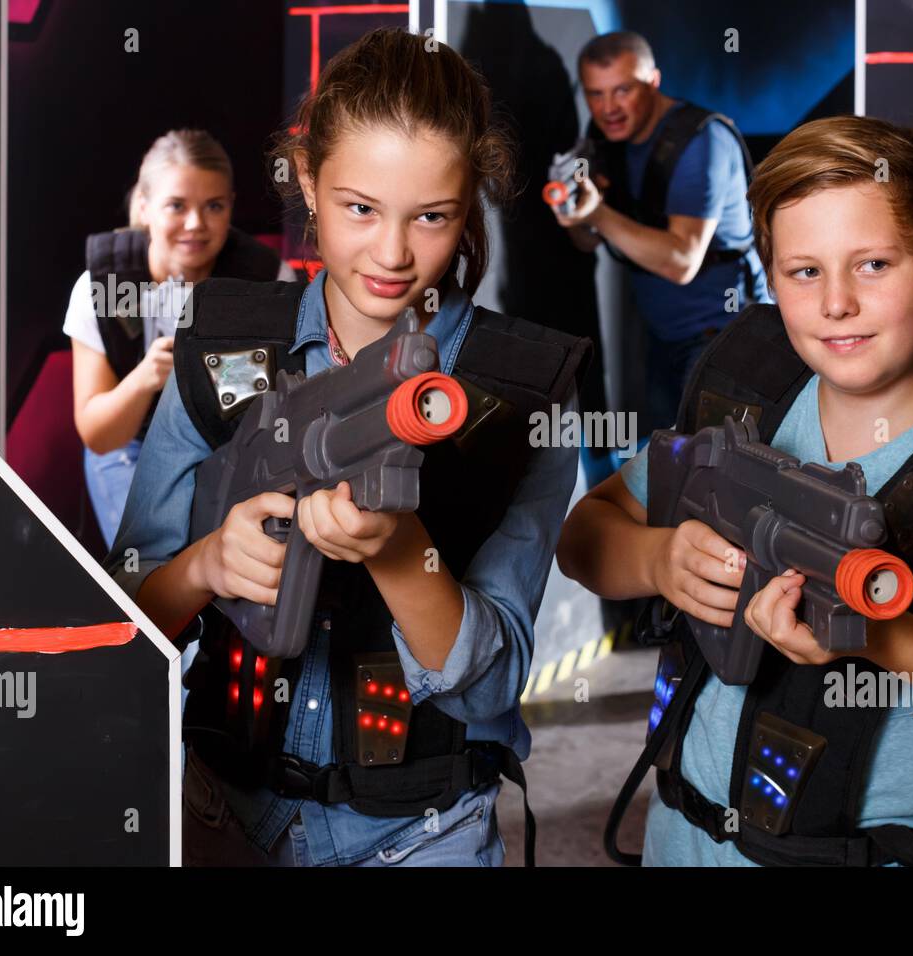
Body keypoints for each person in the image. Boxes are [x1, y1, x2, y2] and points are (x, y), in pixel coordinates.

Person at [556, 115, 913, 866]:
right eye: (805, 272)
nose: (836, 303)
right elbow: (584, 536)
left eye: (873, 265)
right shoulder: (748, 389)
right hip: (683, 838)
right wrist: (657, 560)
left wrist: (877, 634)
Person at [106, 28, 589, 866]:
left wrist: (402, 552)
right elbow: (124, 619)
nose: (394, 254)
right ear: (305, 177)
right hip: (223, 805)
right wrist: (208, 566)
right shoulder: (220, 348)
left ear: (471, 201)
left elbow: (493, 683)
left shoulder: (521, 394)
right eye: (360, 208)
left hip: (422, 830)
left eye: (432, 216)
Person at [67, 129, 295, 547]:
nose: (196, 224)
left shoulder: (266, 277)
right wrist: (145, 378)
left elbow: (280, 405)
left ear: (231, 207)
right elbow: (98, 436)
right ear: (144, 206)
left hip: (226, 444)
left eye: (213, 206)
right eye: (176, 205)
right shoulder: (101, 284)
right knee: (153, 565)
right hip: (130, 446)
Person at [552, 30, 768, 438]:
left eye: (622, 91)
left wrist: (596, 211)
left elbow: (680, 262)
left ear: (653, 82)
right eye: (596, 95)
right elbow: (589, 242)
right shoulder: (606, 139)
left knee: (714, 476)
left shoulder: (700, 142)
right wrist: (576, 214)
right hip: (663, 336)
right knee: (661, 473)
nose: (608, 108)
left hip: (725, 339)